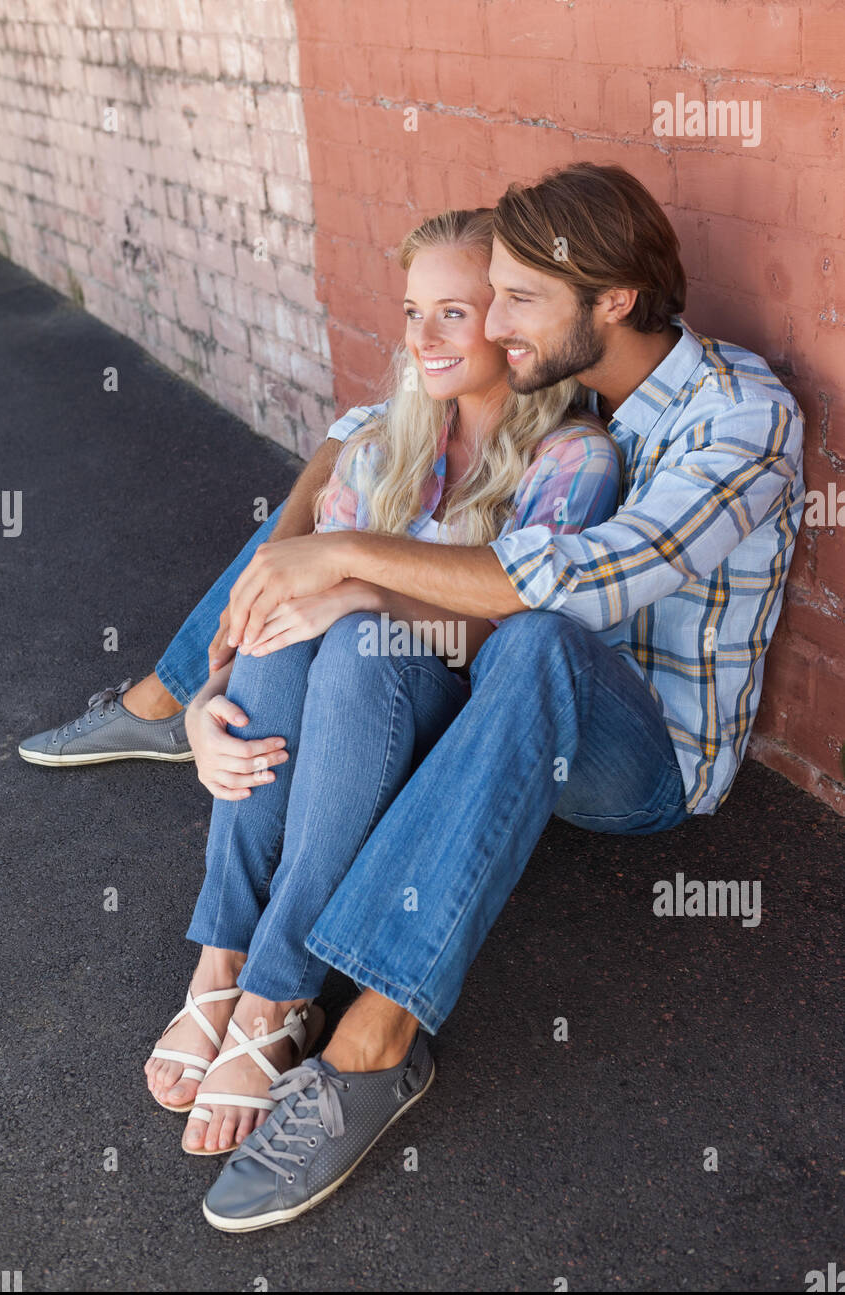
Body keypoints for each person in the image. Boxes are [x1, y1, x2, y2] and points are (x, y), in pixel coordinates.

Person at [21, 163, 804, 1233]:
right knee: (342, 616)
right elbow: (388, 422)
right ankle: (244, 961)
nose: (495, 318)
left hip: (645, 754)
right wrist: (252, 638)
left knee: (515, 634)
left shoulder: (736, 414)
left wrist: (344, 556)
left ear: (611, 299)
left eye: (514, 298)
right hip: (494, 710)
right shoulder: (565, 391)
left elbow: (580, 581)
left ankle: (370, 1044)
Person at [141, 206, 621, 1156]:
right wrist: (201, 708)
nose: (421, 337)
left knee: (357, 642)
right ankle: (221, 961)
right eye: (412, 311)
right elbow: (260, 620)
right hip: (336, 726)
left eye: (455, 311)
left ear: (512, 322)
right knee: (282, 629)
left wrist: (354, 592)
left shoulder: (574, 460)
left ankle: (280, 990)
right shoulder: (382, 448)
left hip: (458, 735)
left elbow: (509, 647)